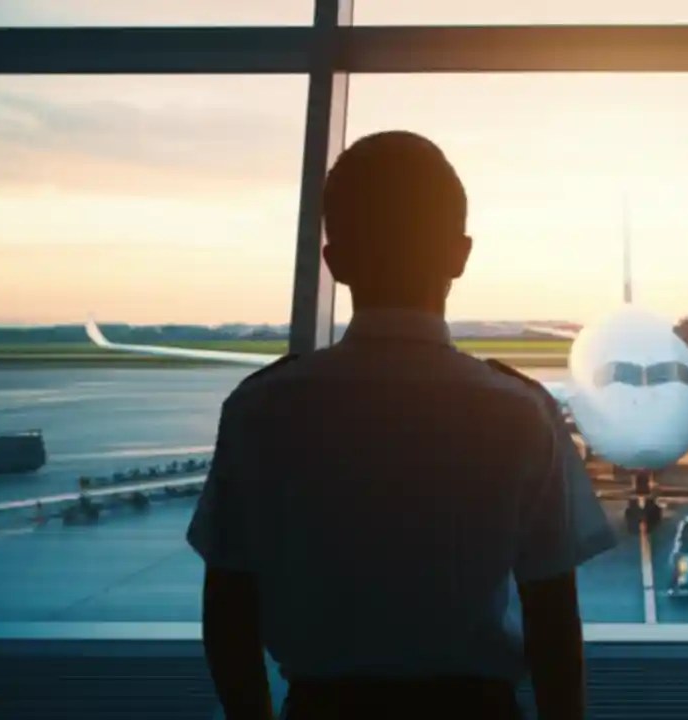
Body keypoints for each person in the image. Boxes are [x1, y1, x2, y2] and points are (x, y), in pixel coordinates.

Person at [187, 130, 617, 720]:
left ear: (333, 263)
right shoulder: (519, 411)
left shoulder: (261, 409)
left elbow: (228, 612)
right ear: (460, 256)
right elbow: (553, 624)